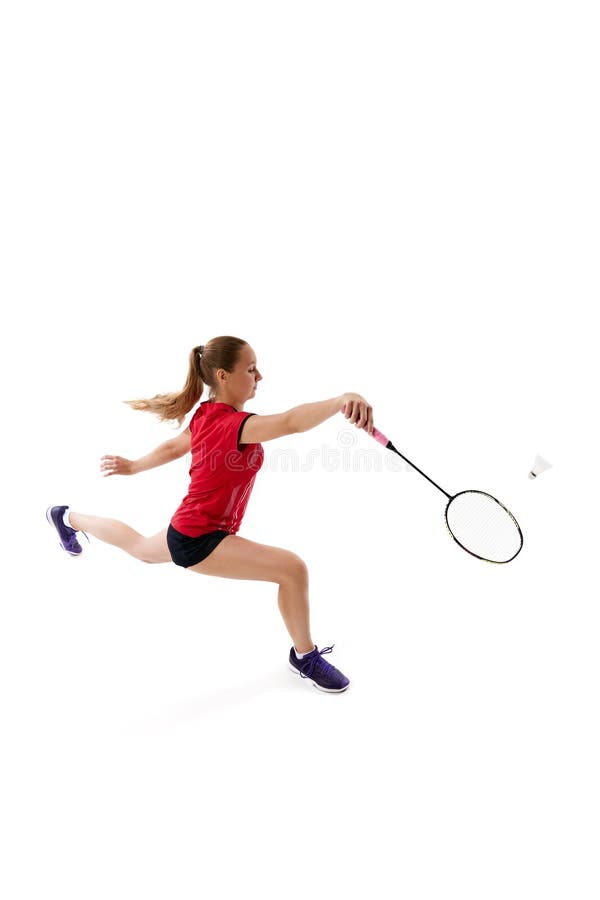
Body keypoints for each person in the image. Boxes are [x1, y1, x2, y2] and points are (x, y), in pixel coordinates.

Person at [46, 336, 374, 693]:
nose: (259, 376)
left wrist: (134, 466)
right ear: (223, 375)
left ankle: (67, 518)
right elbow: (292, 422)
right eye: (251, 369)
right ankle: (305, 657)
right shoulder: (235, 425)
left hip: (187, 526)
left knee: (140, 548)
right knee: (292, 570)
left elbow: (175, 446)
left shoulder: (207, 414)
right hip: (201, 538)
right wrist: (341, 400)